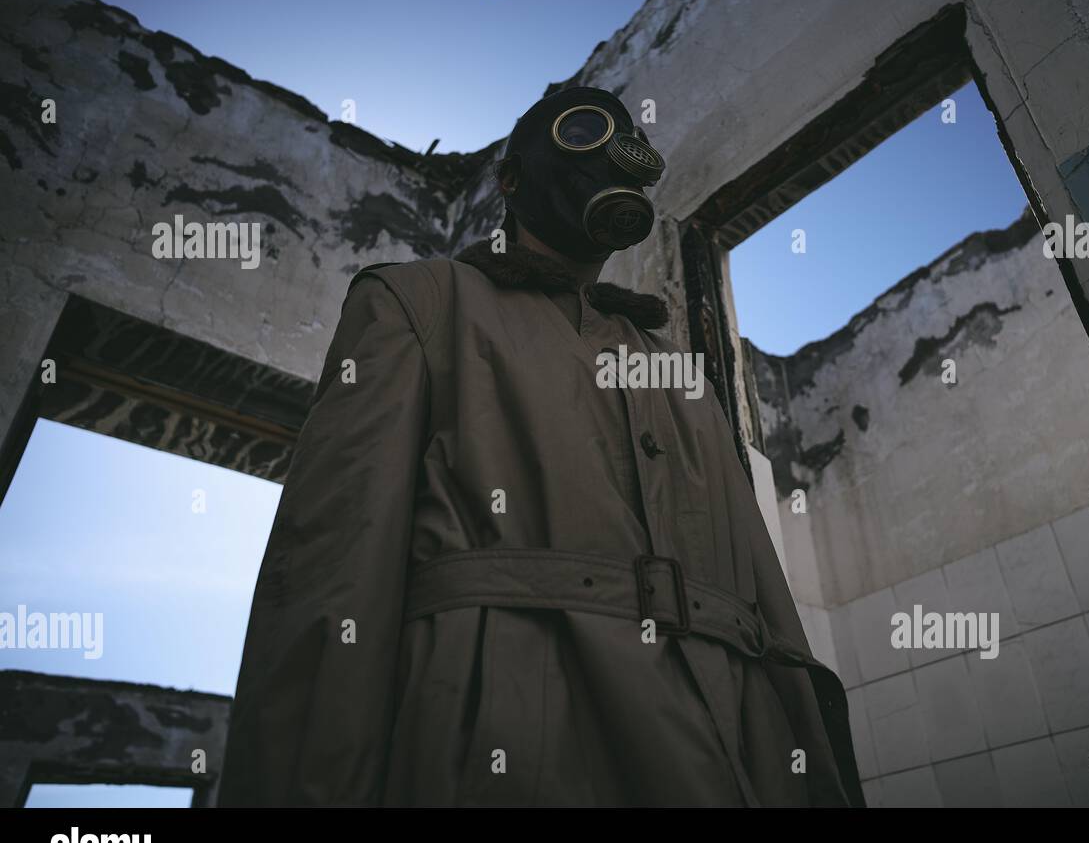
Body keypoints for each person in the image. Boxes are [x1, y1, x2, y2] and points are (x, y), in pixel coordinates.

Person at [218, 86, 863, 806]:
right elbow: (331, 575)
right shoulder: (420, 303)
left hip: (731, 758)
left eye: (627, 140)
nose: (612, 153)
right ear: (512, 180)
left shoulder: (675, 366)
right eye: (585, 131)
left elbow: (764, 593)